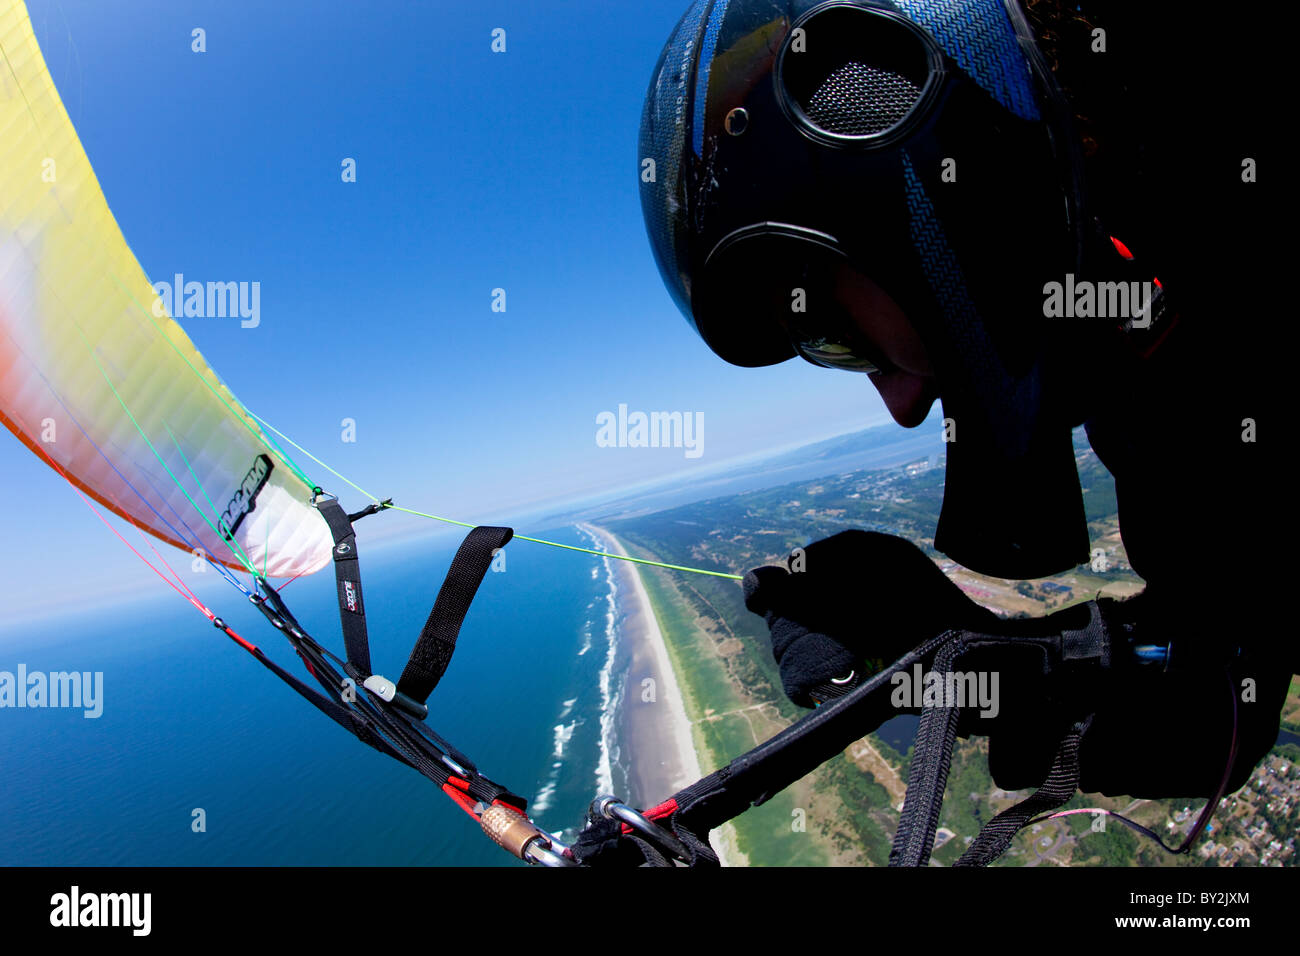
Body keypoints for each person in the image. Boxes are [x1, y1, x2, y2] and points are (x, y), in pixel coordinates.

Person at [637, 0, 1285, 828]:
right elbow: (1233, 682)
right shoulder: (1150, 370)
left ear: (946, 212)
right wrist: (1003, 662)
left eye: (831, 335)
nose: (901, 405)